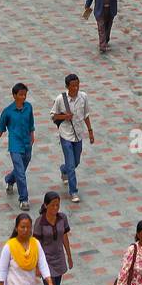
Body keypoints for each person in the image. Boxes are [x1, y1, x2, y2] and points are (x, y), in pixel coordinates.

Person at [0, 212, 55, 285]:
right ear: (16, 228)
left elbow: (43, 264)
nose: (25, 230)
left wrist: (49, 281)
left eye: (28, 227)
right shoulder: (9, 246)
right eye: (22, 227)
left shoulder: (35, 244)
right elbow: (2, 270)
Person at [0, 83, 35, 211]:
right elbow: (1, 129)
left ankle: (9, 179)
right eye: (21, 95)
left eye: (25, 95)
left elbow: (31, 123)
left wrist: (32, 135)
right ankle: (24, 199)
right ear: (14, 95)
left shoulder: (28, 107)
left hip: (27, 144)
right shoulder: (7, 112)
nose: (23, 97)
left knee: (20, 170)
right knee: (21, 172)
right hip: (15, 145)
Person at [51, 74, 93, 205]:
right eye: (73, 86)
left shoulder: (83, 97)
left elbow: (86, 114)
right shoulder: (60, 99)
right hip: (65, 135)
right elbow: (53, 116)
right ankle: (73, 191)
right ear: (67, 86)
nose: (75, 88)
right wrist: (64, 116)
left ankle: (64, 170)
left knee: (75, 162)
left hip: (78, 134)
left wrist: (90, 131)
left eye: (77, 85)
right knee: (71, 162)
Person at [33, 192, 73, 285]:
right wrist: (36, 266)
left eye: (57, 205)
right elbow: (36, 244)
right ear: (46, 205)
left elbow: (64, 237)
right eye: (52, 205)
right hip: (46, 260)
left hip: (59, 258)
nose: (55, 208)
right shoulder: (40, 222)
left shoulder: (62, 218)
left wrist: (69, 256)